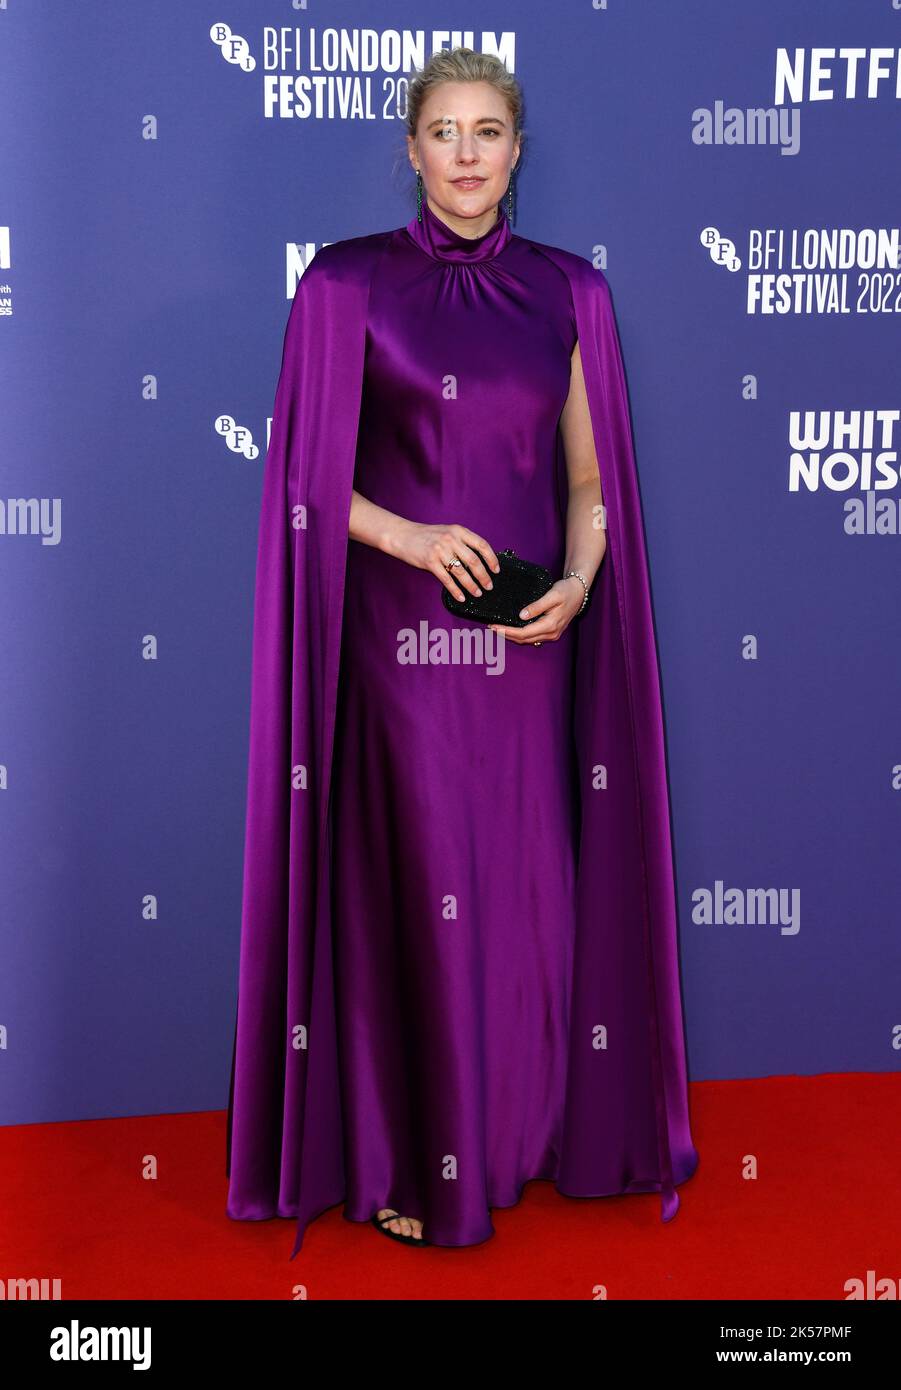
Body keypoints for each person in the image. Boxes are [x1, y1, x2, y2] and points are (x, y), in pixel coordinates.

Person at [225, 47, 699, 1259]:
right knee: (424, 882)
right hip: (402, 647)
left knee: (525, 891)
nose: (469, 153)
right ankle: (420, 1163)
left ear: (518, 150)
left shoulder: (571, 294)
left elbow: (591, 477)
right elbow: (303, 478)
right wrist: (412, 535)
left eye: (490, 130)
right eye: (445, 130)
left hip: (530, 640)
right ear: (411, 146)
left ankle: (520, 1138)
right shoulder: (343, 287)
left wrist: (583, 580)